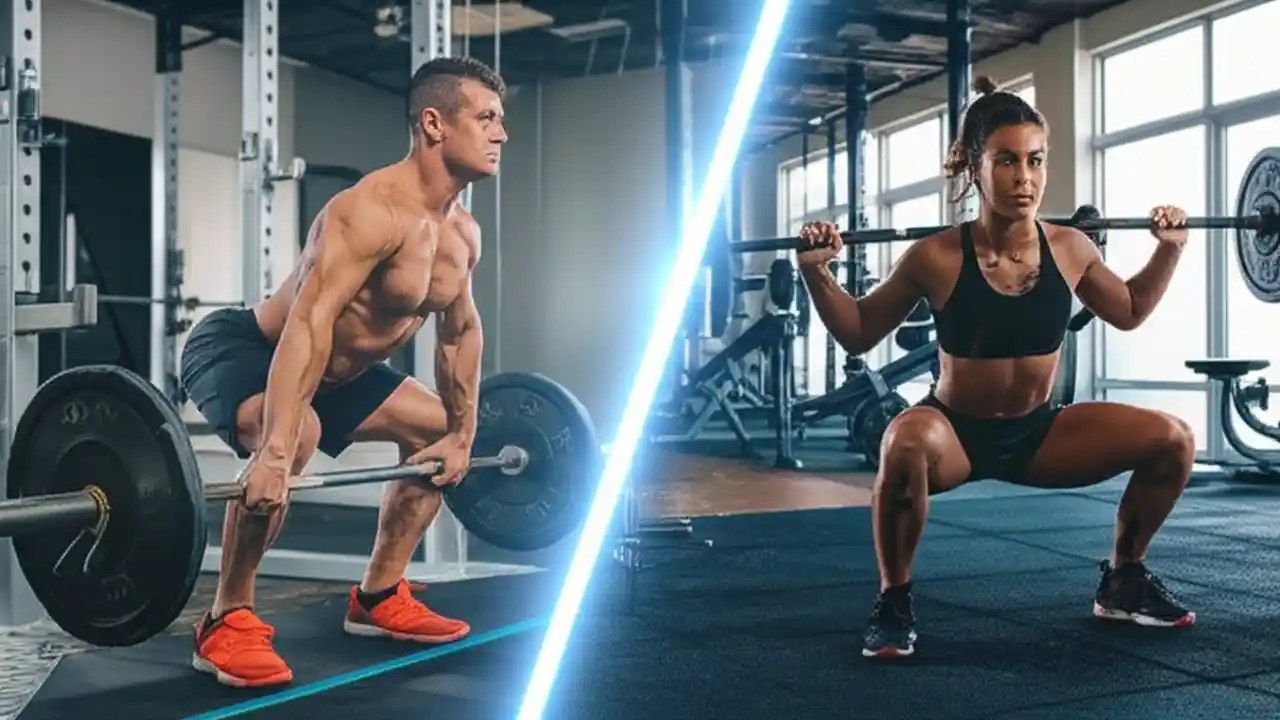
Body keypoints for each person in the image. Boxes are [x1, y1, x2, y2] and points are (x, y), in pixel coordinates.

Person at [796, 75, 1197, 661]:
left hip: (1040, 433)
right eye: (1006, 161)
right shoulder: (934, 256)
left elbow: (1131, 310)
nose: (1025, 178)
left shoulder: (1070, 248)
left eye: (1035, 160)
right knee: (902, 443)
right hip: (954, 433)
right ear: (973, 169)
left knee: (1173, 441)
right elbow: (858, 330)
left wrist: (1169, 248)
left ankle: (1124, 579)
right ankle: (894, 599)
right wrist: (816, 271)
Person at [178, 56, 507, 687]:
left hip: (339, 372)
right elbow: (307, 324)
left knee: (434, 428)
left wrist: (462, 433)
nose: (501, 135)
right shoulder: (369, 210)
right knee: (293, 435)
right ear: (434, 124)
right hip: (245, 348)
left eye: (502, 120)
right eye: (487, 118)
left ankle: (379, 598)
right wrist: (274, 452)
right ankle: (226, 620)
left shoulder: (464, 232)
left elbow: (459, 332)